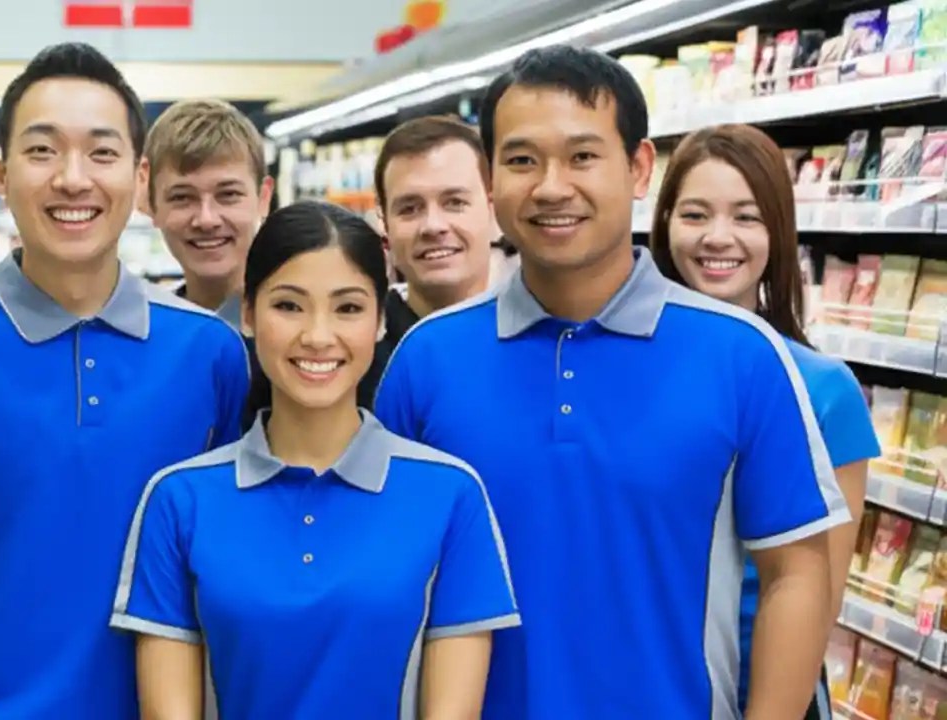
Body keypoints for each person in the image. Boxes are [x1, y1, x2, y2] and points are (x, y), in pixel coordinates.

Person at [374, 44, 849, 720]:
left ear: (639, 167)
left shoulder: (741, 356)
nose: (551, 187)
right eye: (521, 160)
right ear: (491, 179)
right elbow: (387, 576)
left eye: (582, 156)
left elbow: (794, 573)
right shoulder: (426, 360)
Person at [0, 43, 249, 719]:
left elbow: (229, 554)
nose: (73, 179)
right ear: (2, 172)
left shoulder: (209, 351)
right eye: (42, 151)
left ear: (140, 176)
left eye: (101, 152)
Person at [110, 200, 519, 719]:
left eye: (348, 308)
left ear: (379, 320)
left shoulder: (450, 494)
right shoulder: (179, 500)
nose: (318, 336)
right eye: (289, 305)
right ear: (249, 313)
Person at [649, 123, 879, 720]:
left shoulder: (824, 391)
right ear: (664, 222)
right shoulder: (622, 372)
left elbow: (818, 596)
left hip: (764, 694)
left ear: (778, 231)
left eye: (746, 217)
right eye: (695, 215)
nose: (718, 237)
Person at [138, 98, 272, 327]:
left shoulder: (300, 332)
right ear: (151, 205)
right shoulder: (144, 330)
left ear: (263, 198)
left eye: (228, 194)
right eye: (182, 197)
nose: (206, 220)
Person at [373, 115, 496, 347]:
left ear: (493, 208)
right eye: (409, 209)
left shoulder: (546, 340)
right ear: (385, 225)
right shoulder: (361, 356)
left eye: (455, 203)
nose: (433, 226)